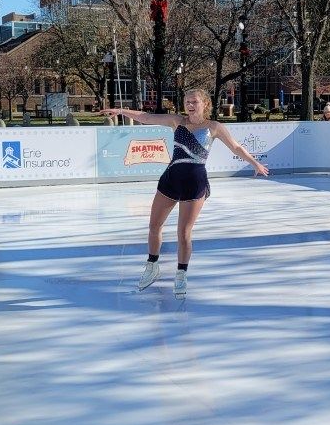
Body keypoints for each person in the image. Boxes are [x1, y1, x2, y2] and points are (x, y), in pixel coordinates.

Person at [102, 89, 269, 297]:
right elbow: (145, 117)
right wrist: (120, 110)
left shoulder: (214, 127)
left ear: (205, 103)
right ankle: (152, 265)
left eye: (194, 101)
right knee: (154, 226)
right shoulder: (176, 121)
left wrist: (255, 163)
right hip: (171, 179)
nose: (190, 105)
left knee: (184, 233)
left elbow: (236, 147)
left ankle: (181, 274)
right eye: (187, 101)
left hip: (194, 182)